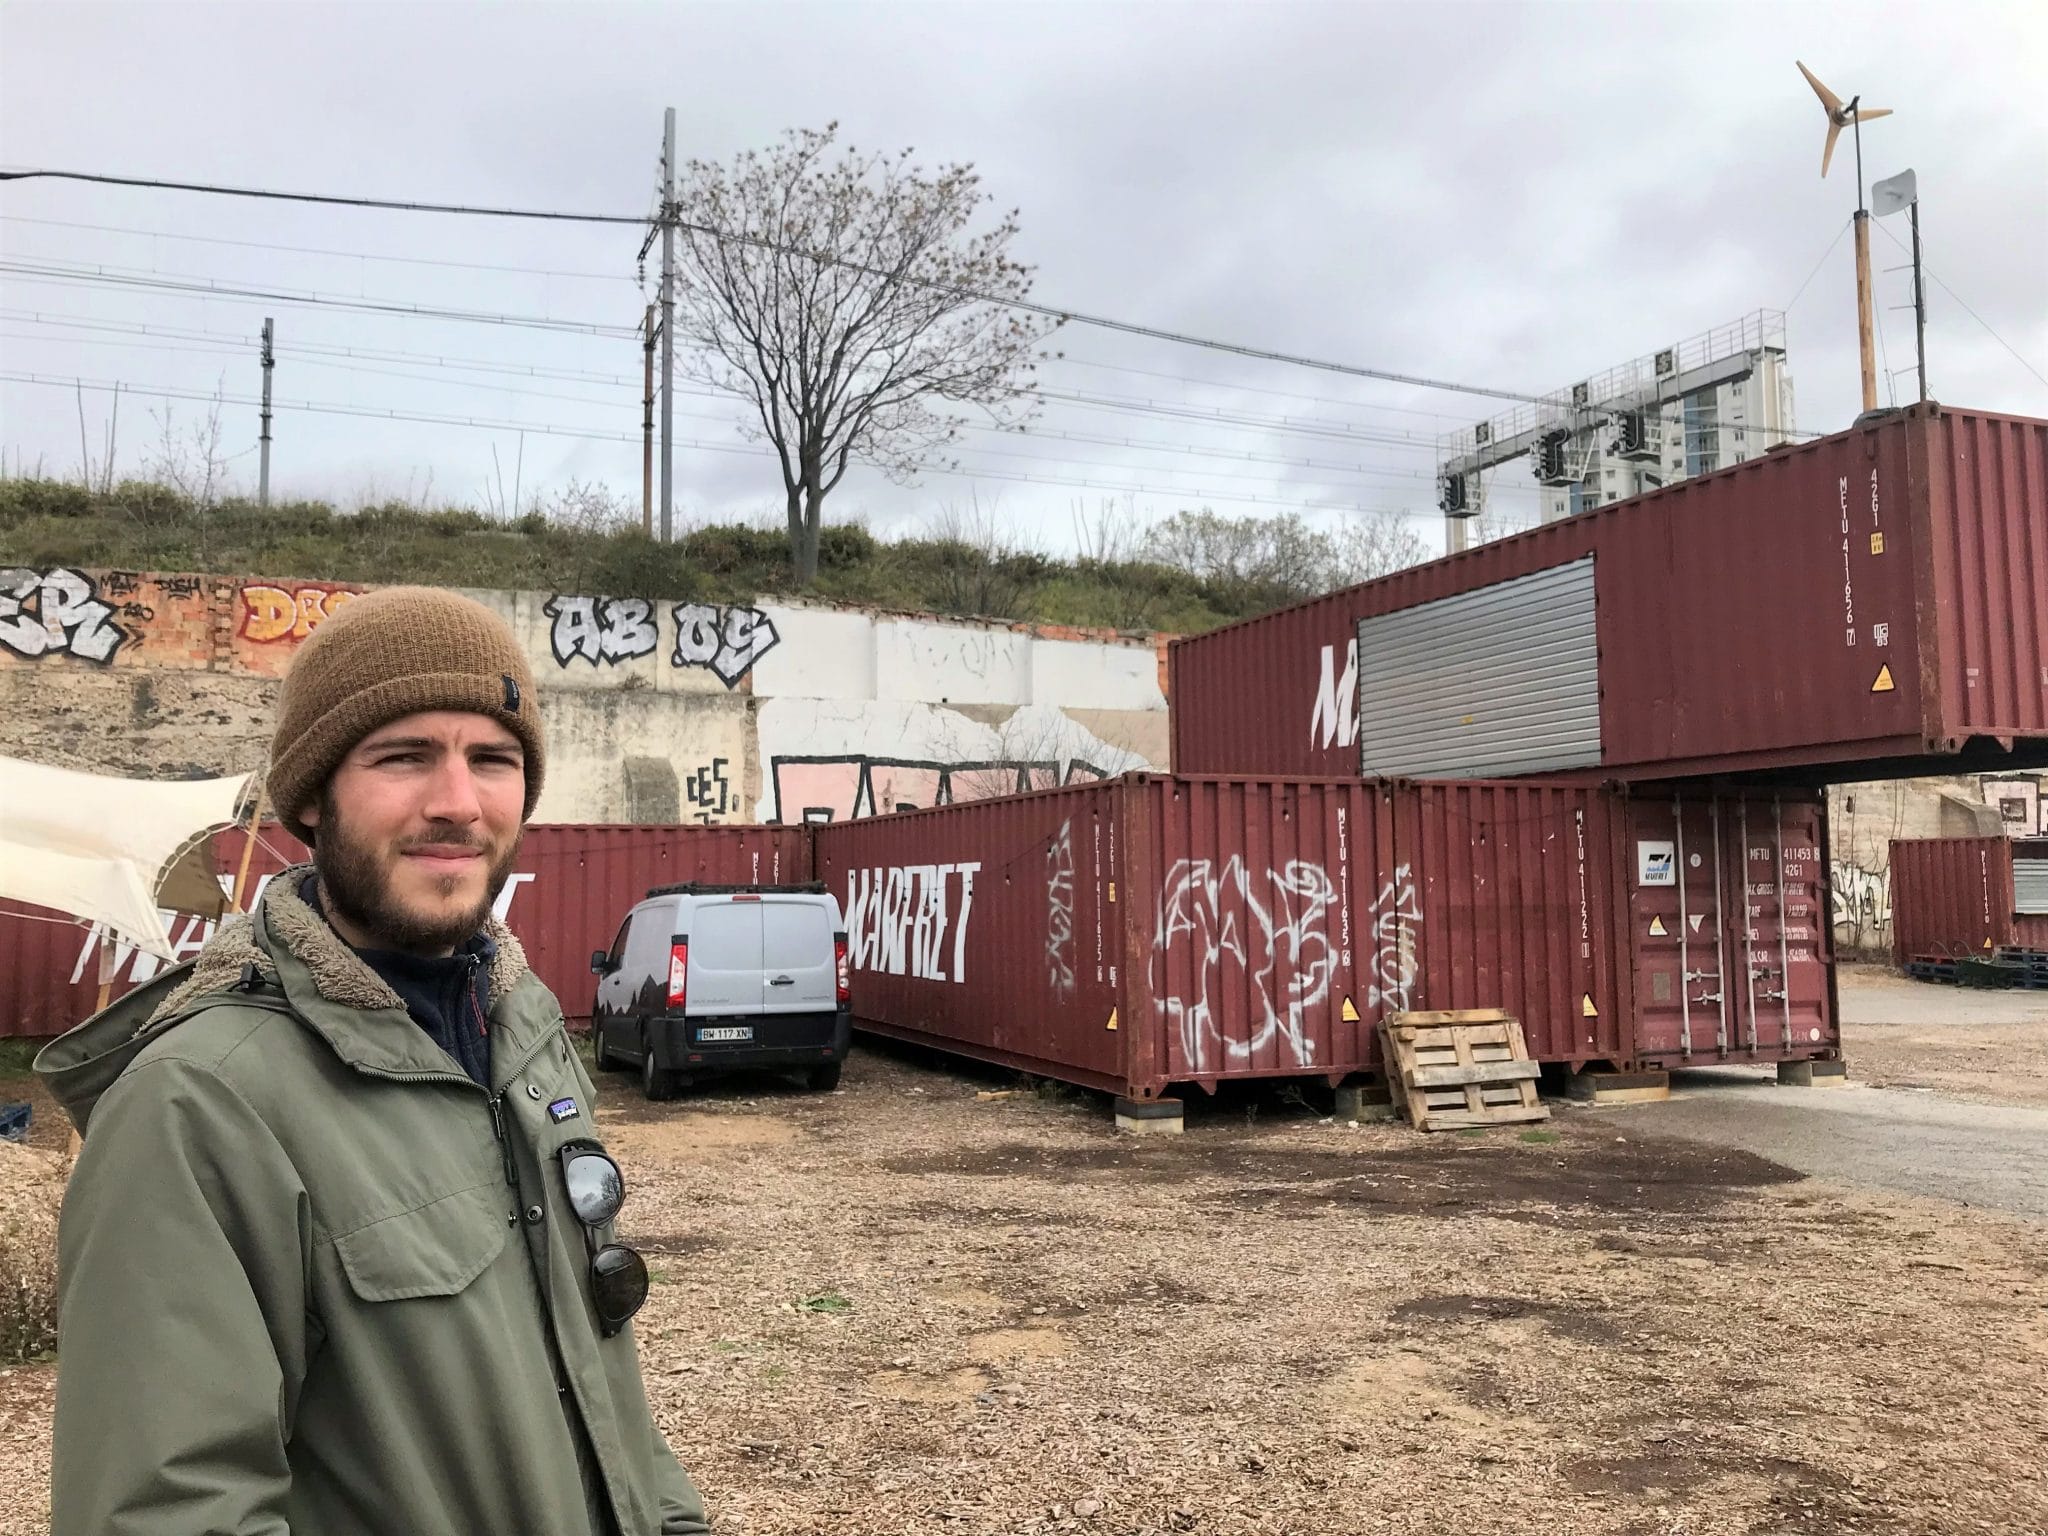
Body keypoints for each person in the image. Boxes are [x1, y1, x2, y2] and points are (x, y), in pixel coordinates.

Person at [36, 586, 710, 1536]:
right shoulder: (198, 1104)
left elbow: (604, 1389)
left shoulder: (524, 1032)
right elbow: (168, 1513)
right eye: (403, 758)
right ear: (311, 794)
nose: (458, 804)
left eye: (494, 760)